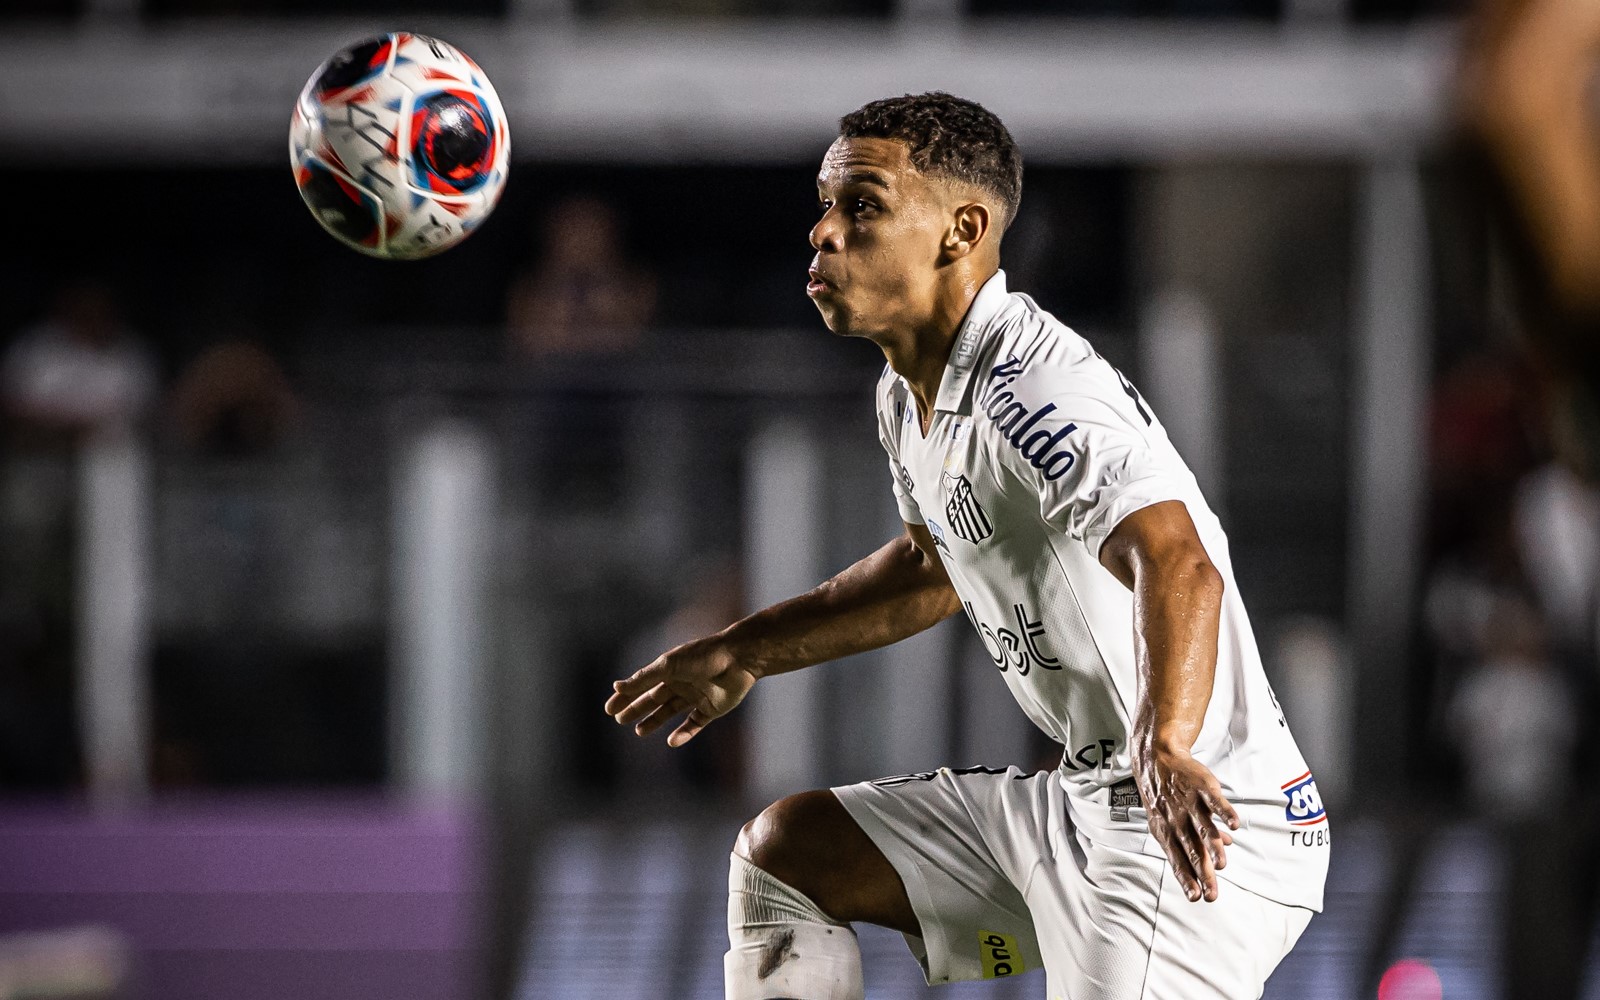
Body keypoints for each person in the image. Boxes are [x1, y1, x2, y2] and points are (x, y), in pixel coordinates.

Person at [605, 93, 1327, 999]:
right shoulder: (910, 391)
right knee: (789, 858)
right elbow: (931, 569)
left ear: (962, 229)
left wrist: (1166, 745)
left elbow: (1178, 559)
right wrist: (743, 649)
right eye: (825, 206)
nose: (824, 233)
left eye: (861, 205)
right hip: (1081, 807)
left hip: (1197, 826)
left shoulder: (1031, 388)